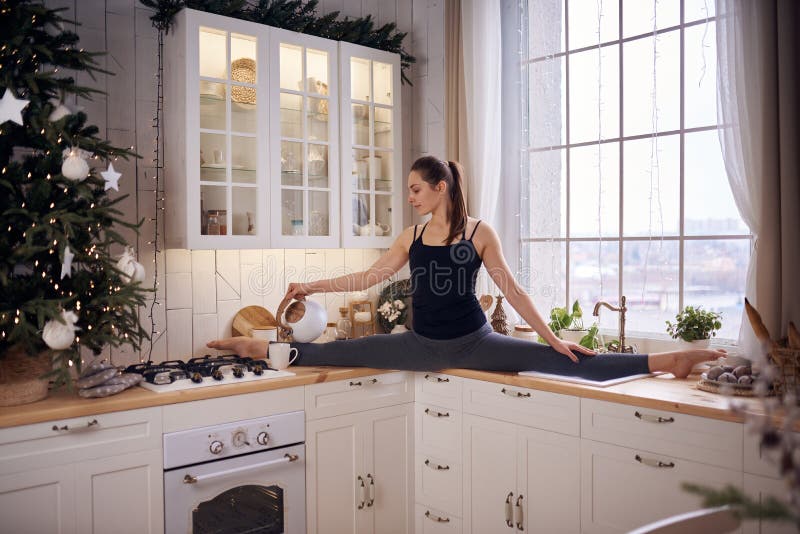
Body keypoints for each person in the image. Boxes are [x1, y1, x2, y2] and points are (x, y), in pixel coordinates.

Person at [208, 156, 723, 379]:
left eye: (415, 189)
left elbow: (514, 292)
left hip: (476, 343)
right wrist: (311, 283)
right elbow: (368, 278)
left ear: (440, 189)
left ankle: (665, 362)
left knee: (567, 363)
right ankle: (254, 346)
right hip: (418, 344)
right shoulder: (410, 236)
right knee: (334, 352)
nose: (408, 197)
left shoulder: (479, 233)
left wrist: (550, 338)